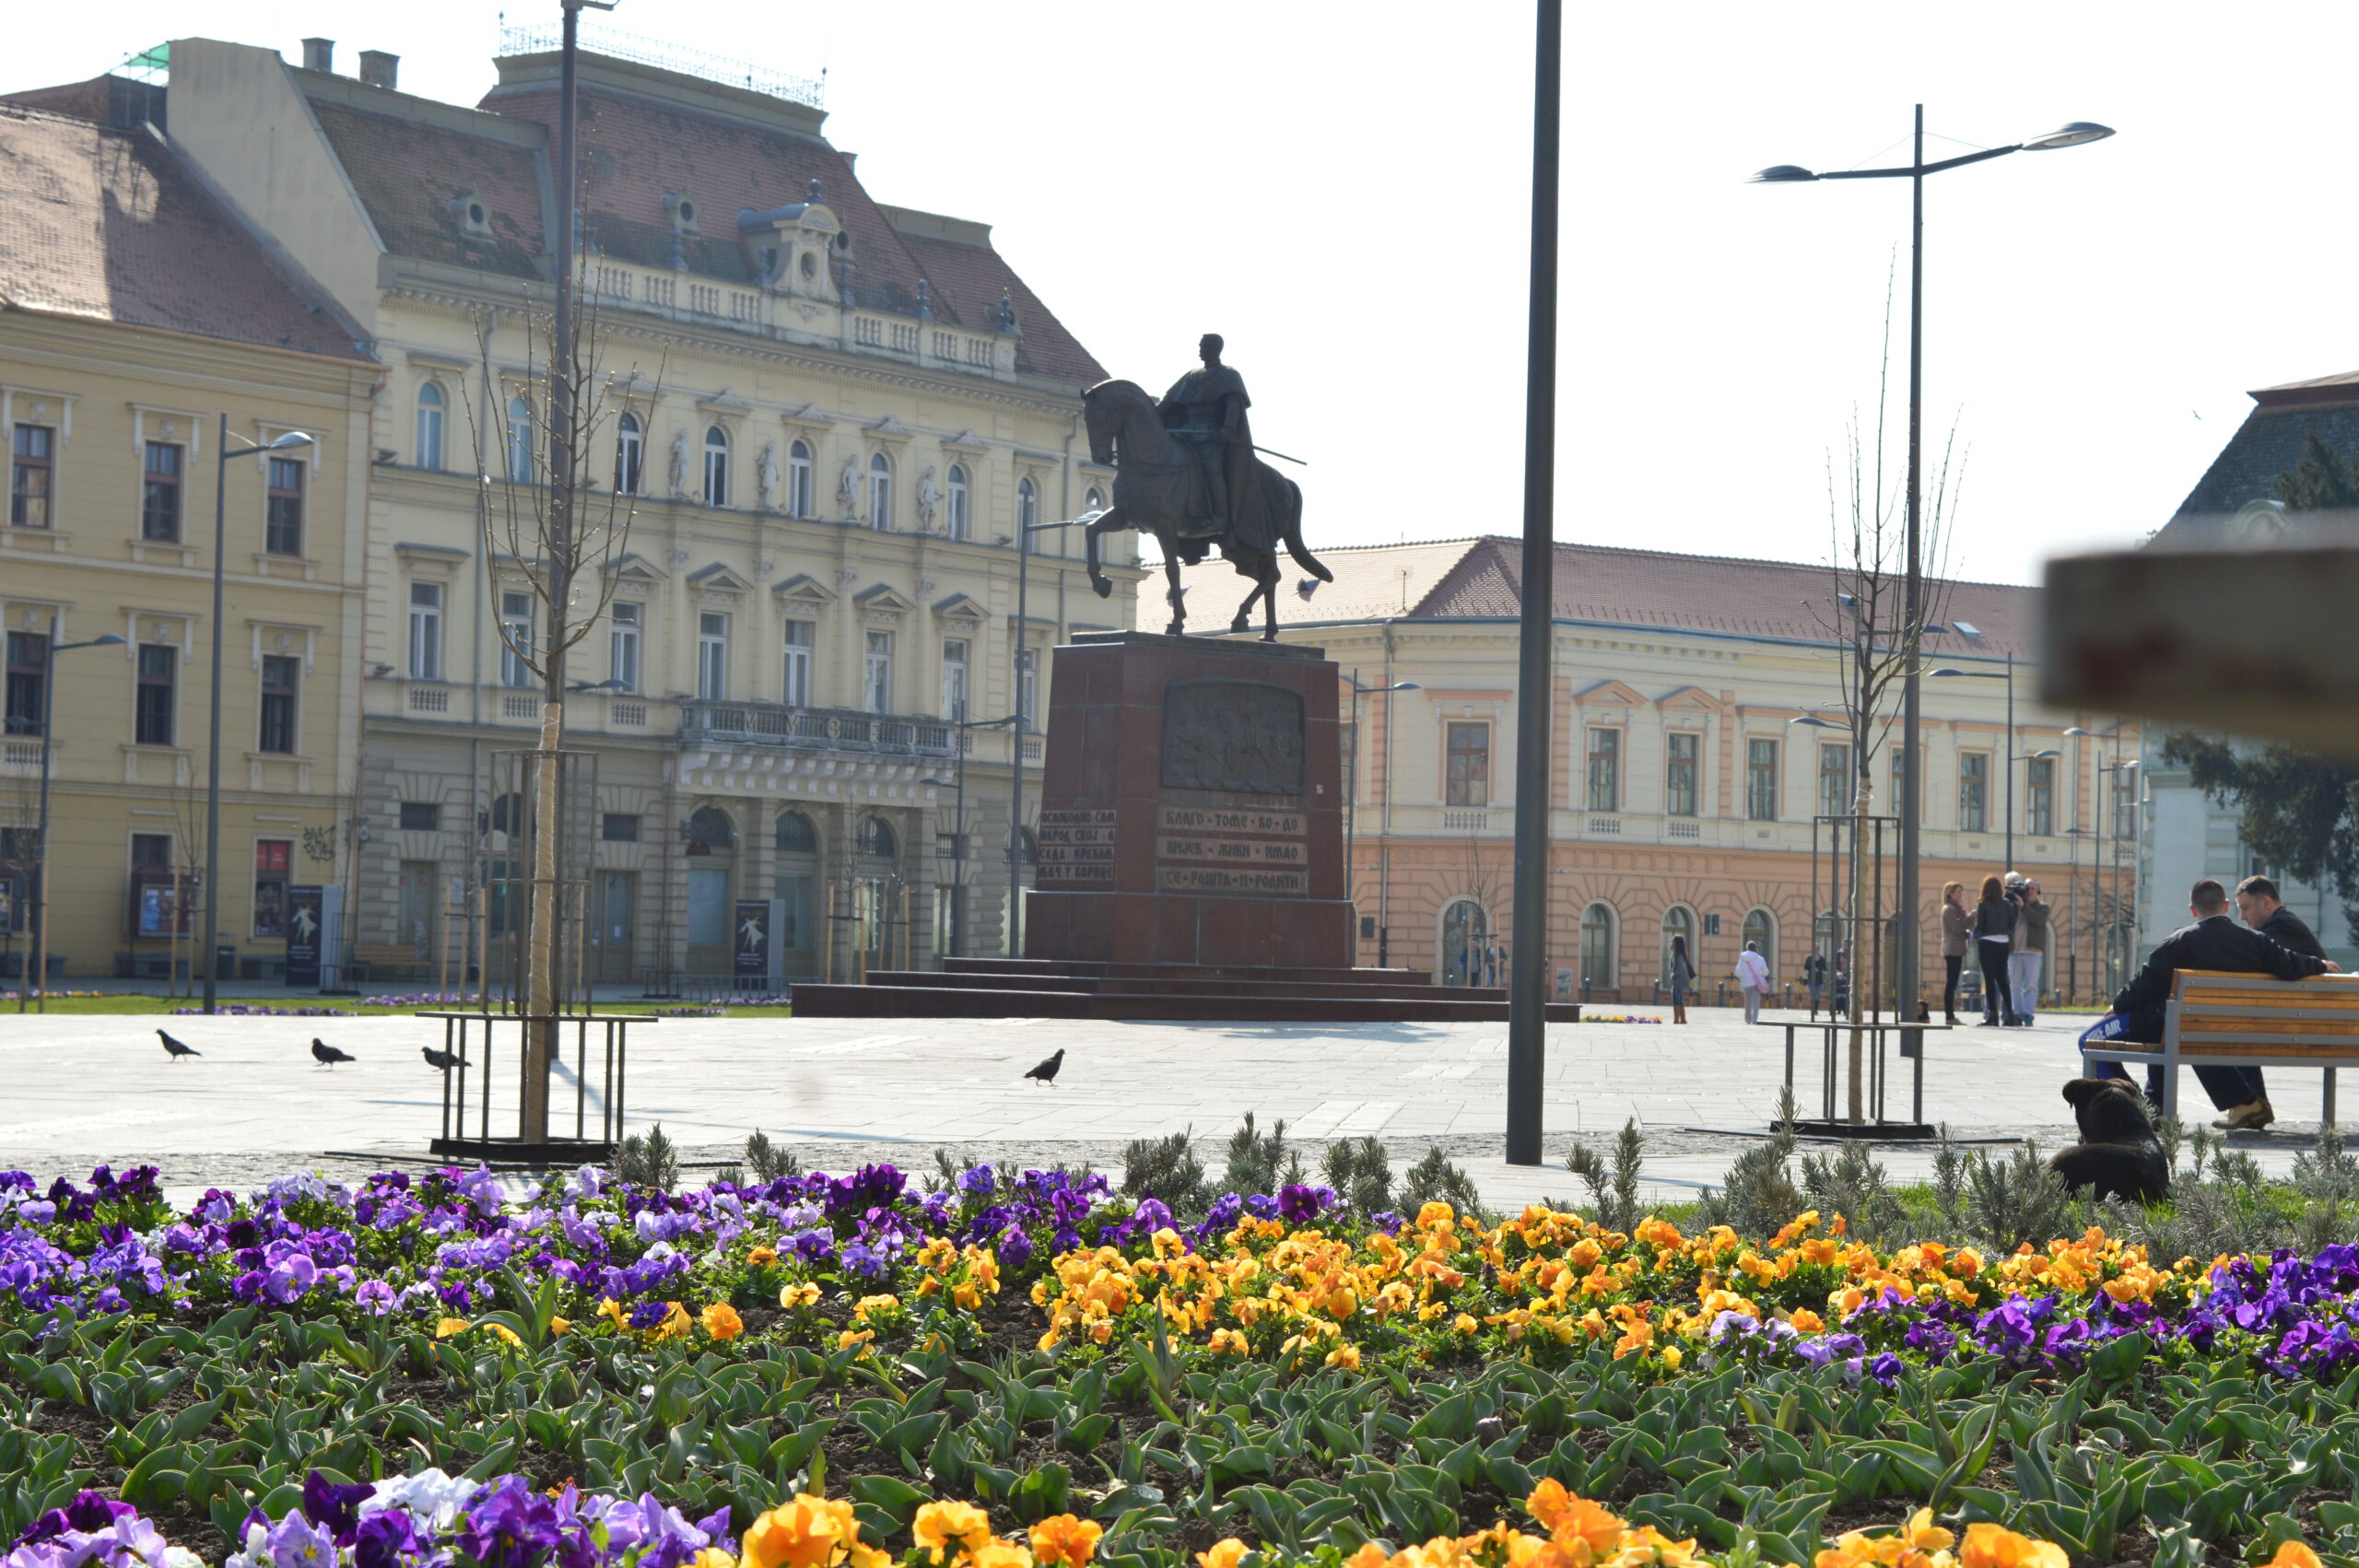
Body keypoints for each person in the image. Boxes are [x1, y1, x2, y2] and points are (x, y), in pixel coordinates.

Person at [2094, 876, 2335, 1124]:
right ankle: (2234, 1103)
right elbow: (2290, 963)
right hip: (2233, 1028)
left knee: (2093, 1041)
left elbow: (2146, 981)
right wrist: (2319, 964)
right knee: (2174, 1029)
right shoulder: (2256, 941)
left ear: (2193, 910)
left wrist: (2118, 1004)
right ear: (2226, 905)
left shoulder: (2179, 941)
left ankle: (2140, 1106)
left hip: (2185, 1029)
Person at [2206, 875, 2332, 1129]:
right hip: (2305, 1022)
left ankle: (2250, 1103)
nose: (2242, 917)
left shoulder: (2280, 928)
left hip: (2301, 1027)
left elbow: (2252, 960)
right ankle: (2252, 1104)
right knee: (2233, 1027)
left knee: (2224, 1030)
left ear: (2266, 903)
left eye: (2245, 908)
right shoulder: (2284, 925)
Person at [1160, 333, 1252, 536]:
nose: (1200, 350)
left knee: (1211, 468)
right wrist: (1151, 415)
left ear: (1215, 349)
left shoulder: (1229, 375)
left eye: (1204, 346)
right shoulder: (1192, 375)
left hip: (1210, 433)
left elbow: (1234, 403)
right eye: (1200, 346)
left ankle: (1220, 517)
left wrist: (1228, 428)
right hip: (1186, 432)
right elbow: (1170, 402)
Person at [1972, 874, 2016, 1026]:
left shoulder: (1983, 904)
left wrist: (1974, 935)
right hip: (2003, 942)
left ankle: (1992, 1014)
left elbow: (1980, 927)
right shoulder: (2007, 904)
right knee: (2003, 980)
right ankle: (2010, 1014)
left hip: (1987, 942)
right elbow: (2012, 924)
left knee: (1989, 980)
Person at [2009, 877, 2051, 1026]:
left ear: (2038, 891)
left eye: (2033, 888)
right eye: (2027, 888)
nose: (2030, 891)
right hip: (2015, 951)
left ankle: (2028, 1014)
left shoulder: (2043, 907)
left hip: (2033, 951)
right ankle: (2017, 1013)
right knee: (2015, 985)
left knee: (2031, 985)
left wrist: (2024, 907)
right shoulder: (2014, 906)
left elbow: (2039, 920)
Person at [1939, 882, 1969, 1025]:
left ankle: (1950, 1015)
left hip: (1957, 949)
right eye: (1958, 891)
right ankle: (1949, 1015)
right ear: (1950, 893)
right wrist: (1969, 920)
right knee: (1951, 983)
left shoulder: (1956, 908)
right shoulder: (1949, 909)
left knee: (1953, 982)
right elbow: (1957, 929)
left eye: (1961, 891)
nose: (1960, 894)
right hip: (1952, 949)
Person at [1735, 940, 1770, 1024]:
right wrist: (1760, 974)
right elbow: (1766, 972)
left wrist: (1744, 975)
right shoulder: (1760, 959)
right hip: (1756, 983)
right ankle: (1754, 1020)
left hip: (1746, 983)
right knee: (1755, 1003)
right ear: (1756, 948)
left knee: (1747, 1003)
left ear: (1747, 948)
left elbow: (1738, 972)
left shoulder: (1742, 959)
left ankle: (1748, 1019)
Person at [1668, 934, 1694, 1024]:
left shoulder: (1678, 955)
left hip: (1678, 981)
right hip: (1679, 981)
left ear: (1676, 943)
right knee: (1679, 999)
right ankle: (1683, 1019)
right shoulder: (1677, 954)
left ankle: (1677, 1019)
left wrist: (1673, 976)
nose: (1671, 942)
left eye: (1672, 941)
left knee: (1676, 999)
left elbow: (1681, 968)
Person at [1802, 950, 1828, 1019]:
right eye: (1815, 949)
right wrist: (1812, 968)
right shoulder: (1809, 958)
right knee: (1813, 994)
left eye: (1818, 949)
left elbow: (1825, 969)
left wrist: (1824, 975)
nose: (1817, 951)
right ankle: (1813, 1009)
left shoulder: (1822, 958)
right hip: (1811, 979)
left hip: (1819, 979)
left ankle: (1815, 1010)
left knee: (1817, 995)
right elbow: (1805, 967)